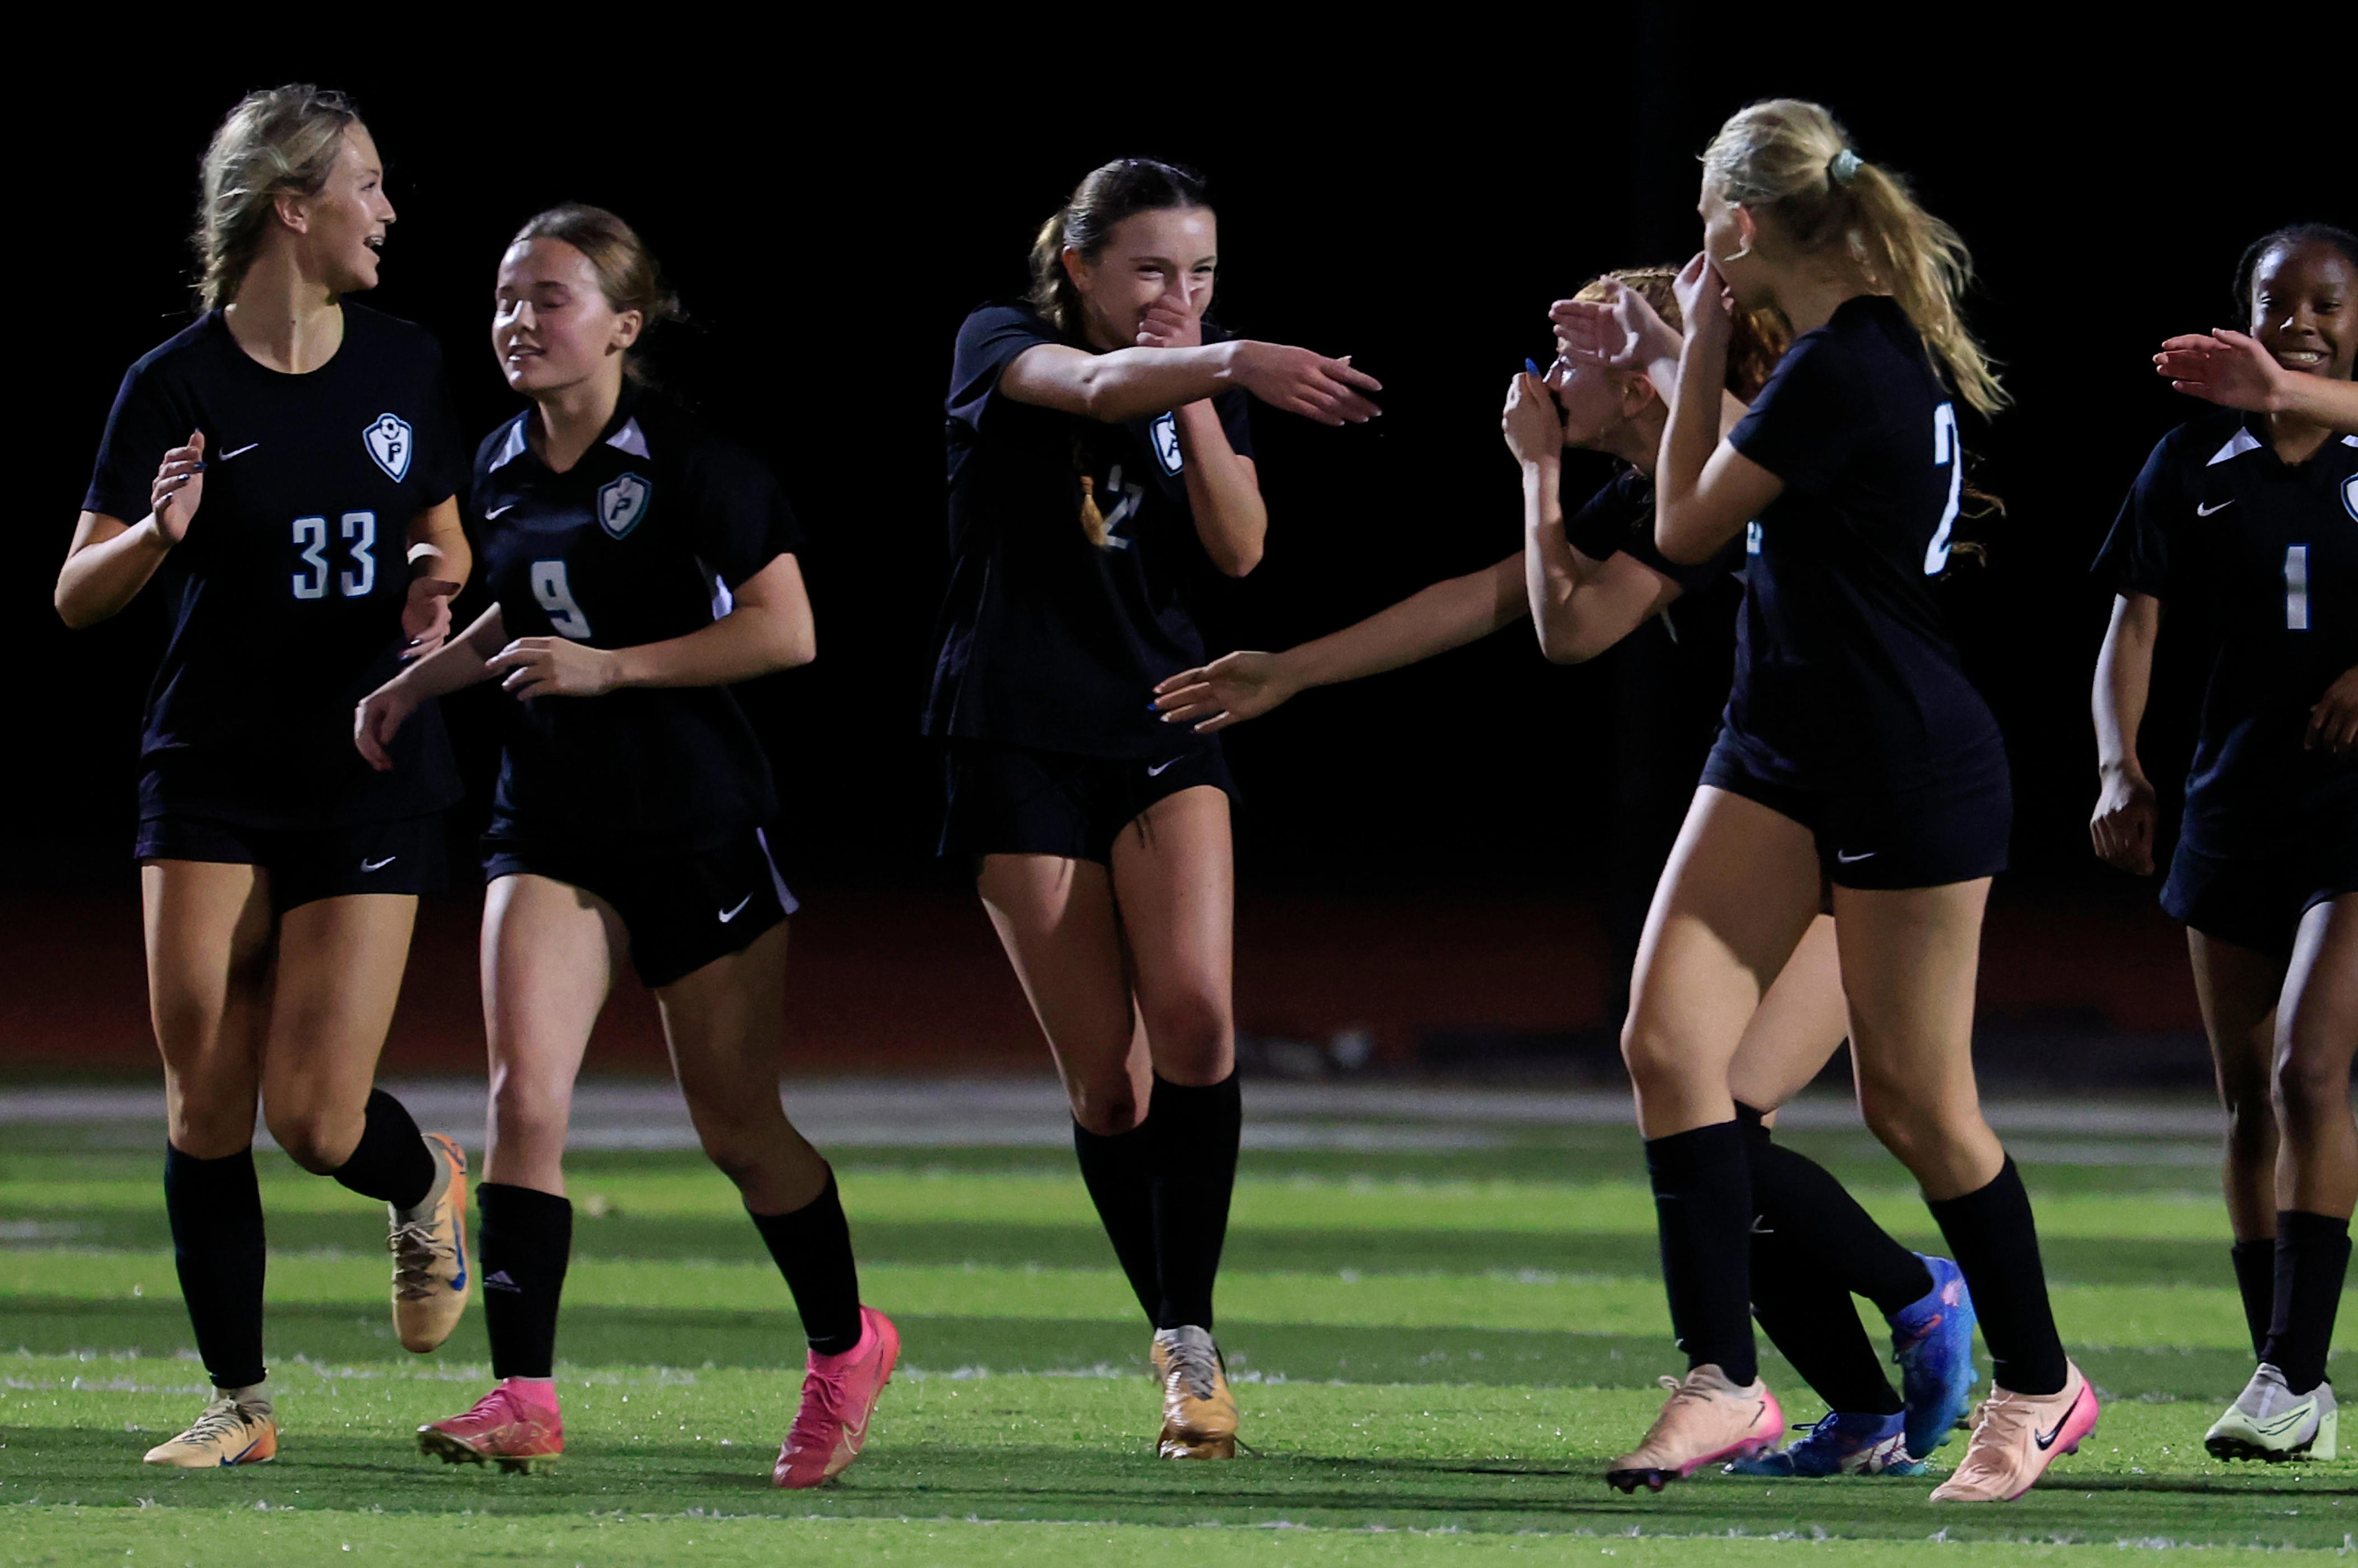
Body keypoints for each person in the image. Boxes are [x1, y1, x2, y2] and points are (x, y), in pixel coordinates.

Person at [1157, 269, 1978, 1478]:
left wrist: (1536, 469)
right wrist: (1292, 672)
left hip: (1885, 824)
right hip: (1807, 816)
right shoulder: (1677, 478)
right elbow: (1489, 595)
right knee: (1714, 1131)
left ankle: (1929, 1303)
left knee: (1734, 1123)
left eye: (1571, 347)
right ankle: (1859, 1407)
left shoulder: (1747, 458)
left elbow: (1569, 629)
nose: (1543, 371)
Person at [1555, 99, 2089, 1503]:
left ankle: (2041, 1385)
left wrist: (1685, 360)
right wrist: (1682, 357)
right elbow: (1748, 453)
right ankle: (1722, 1379)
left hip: (1904, 762)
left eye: (1703, 232)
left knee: (1918, 1106)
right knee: (1669, 1044)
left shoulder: (1853, 359)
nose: (1695, 253)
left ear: (1741, 229)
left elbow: (1681, 525)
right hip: (1779, 749)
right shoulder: (1847, 359)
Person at [354, 205, 893, 1487]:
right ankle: (525, 1395)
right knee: (524, 1105)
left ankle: (845, 1347)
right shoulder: (493, 462)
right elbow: (509, 610)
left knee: (739, 1128)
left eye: (550, 298)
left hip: (698, 823)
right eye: (504, 297)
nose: (518, 321)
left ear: (624, 326)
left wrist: (614, 672)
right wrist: (411, 690)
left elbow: (788, 630)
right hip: (544, 826)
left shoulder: (698, 462)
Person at [925, 157, 1381, 1460]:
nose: (1176, 297)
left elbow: (1240, 550)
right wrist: (1222, 358)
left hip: (1167, 719)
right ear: (1079, 265)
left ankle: (1190, 1342)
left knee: (1196, 1019)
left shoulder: (1194, 381)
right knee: (1110, 1090)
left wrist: (1210, 394)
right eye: (1151, 271)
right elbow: (1090, 387)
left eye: (1202, 276)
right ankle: (1170, 1322)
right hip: (1011, 735)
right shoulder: (1003, 341)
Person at [54, 85, 474, 1470]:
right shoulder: (170, 383)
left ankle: (422, 1180)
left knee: (312, 1117)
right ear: (292, 209)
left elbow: (445, 542)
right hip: (210, 770)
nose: (387, 211)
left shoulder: (407, 361)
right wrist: (157, 539)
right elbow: (75, 594)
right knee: (202, 1101)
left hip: (365, 768)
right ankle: (242, 1404)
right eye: (364, 185)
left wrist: (430, 588)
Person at [2090, 222, 2357, 1463]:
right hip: (2234, 800)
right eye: (2277, 298)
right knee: (2248, 1103)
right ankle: (2284, 1376)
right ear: (2241, 310)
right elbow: (2131, 627)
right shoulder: (2194, 456)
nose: (2302, 315)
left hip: (2353, 810)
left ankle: (2294, 1375)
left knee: (2314, 1069)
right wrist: (2118, 766)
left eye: (2329, 299)